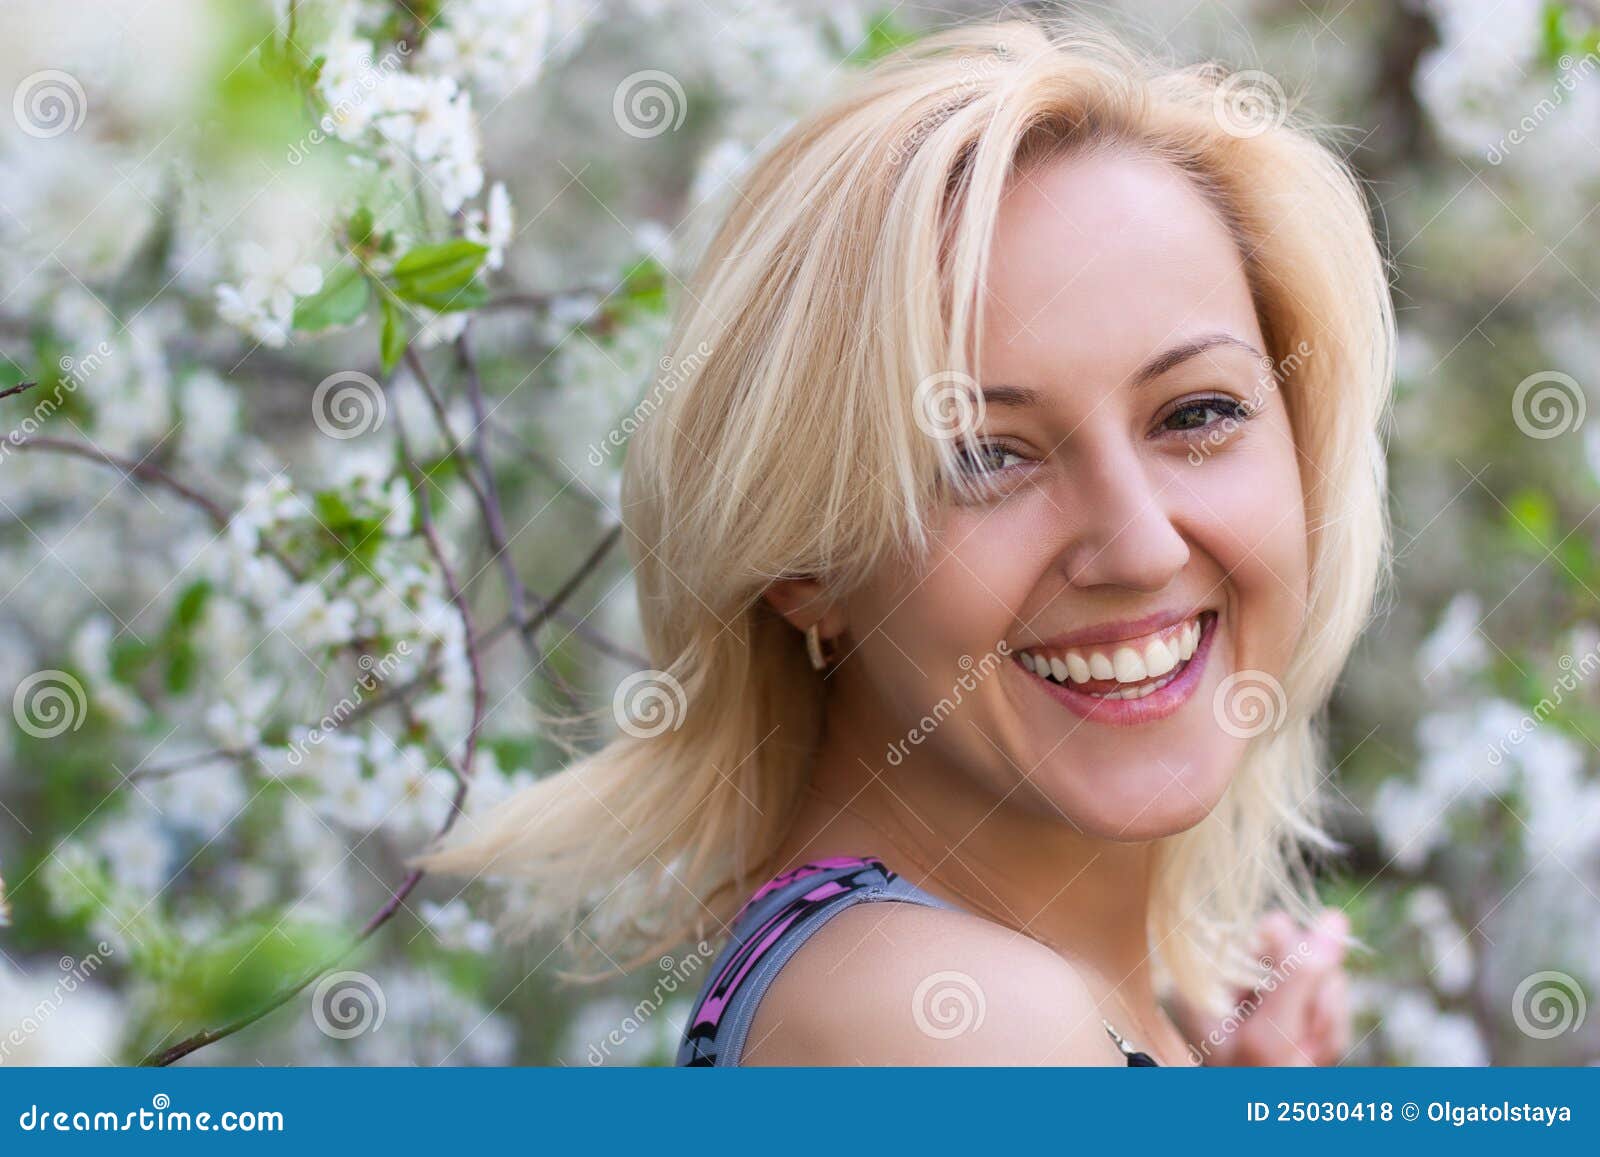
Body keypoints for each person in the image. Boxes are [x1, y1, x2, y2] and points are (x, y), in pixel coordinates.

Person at [422, 12, 1392, 1067]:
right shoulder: (956, 1022)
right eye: (983, 457)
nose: (1140, 546)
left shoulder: (960, 998)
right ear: (801, 565)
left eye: (1197, 412)